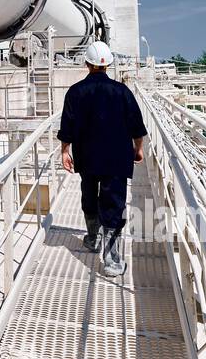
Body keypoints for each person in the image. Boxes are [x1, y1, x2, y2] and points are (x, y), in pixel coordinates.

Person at [58, 40, 147, 276]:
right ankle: (112, 259)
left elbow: (67, 125)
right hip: (117, 157)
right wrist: (138, 149)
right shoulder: (122, 92)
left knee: (89, 194)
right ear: (108, 64)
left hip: (87, 156)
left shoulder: (75, 92)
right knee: (113, 201)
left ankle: (92, 238)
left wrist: (65, 151)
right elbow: (137, 126)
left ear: (87, 63)